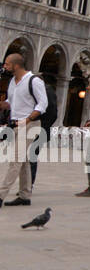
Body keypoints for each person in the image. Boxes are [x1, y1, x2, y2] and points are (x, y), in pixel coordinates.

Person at [0, 51, 47, 207]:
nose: (5, 66)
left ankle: (1, 195)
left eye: (7, 64)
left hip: (30, 125)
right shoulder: (13, 81)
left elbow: (42, 104)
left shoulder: (34, 81)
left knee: (15, 160)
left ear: (16, 65)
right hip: (16, 124)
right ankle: (25, 195)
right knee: (24, 161)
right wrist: (4, 104)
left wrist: (27, 119)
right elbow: (11, 101)